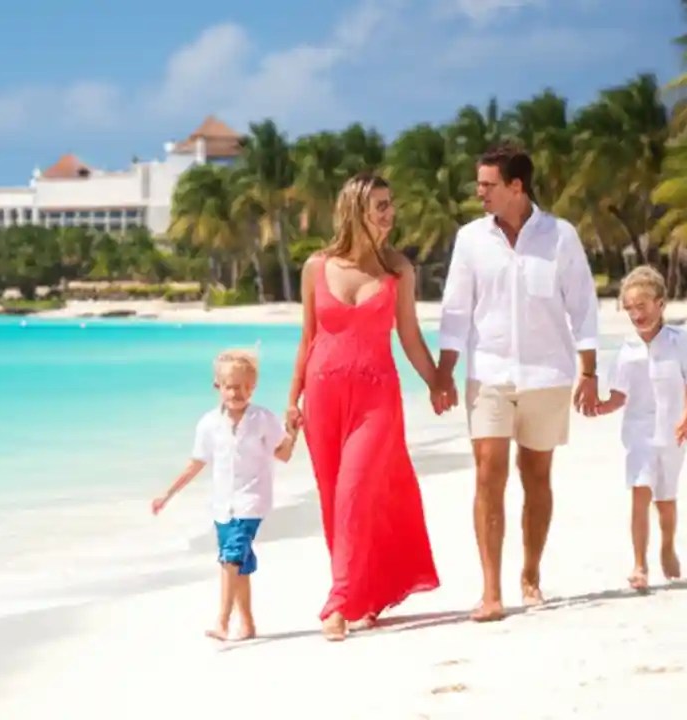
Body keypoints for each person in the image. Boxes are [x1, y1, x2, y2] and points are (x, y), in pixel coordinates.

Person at [433, 142, 600, 622]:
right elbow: (456, 310)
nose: (478, 192)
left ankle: (530, 574)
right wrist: (444, 371)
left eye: (487, 184)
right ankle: (491, 591)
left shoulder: (560, 236)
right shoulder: (470, 239)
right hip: (488, 373)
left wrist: (588, 371)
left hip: (548, 374)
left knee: (537, 477)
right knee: (488, 473)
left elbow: (583, 306)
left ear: (515, 186)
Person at [285, 173, 442, 641]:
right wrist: (292, 400)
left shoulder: (398, 271)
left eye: (390, 204)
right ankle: (363, 594)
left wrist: (436, 381)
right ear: (354, 210)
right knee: (336, 500)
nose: (389, 213)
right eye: (380, 205)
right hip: (323, 398)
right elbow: (308, 338)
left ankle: (338, 605)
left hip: (376, 397)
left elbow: (410, 337)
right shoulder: (317, 267)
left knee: (355, 492)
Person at [152, 348, 298, 642]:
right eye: (232, 387)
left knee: (229, 559)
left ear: (253, 387)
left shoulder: (262, 419)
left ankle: (222, 621)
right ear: (218, 387)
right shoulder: (208, 424)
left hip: (251, 502)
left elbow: (283, 454)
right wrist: (167, 494)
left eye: (246, 387)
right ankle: (248, 624)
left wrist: (293, 431)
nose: (238, 393)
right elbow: (196, 463)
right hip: (222, 505)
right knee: (239, 566)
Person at [596, 266, 687, 591]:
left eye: (642, 306)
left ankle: (667, 546)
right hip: (638, 435)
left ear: (660, 303)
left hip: (672, 434)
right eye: (630, 308)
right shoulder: (626, 351)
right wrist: (598, 406)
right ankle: (639, 564)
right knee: (639, 494)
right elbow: (618, 396)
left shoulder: (679, 341)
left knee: (665, 501)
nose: (636, 314)